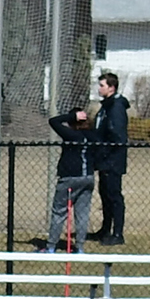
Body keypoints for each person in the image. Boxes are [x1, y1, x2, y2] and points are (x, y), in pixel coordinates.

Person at [46, 105, 97, 253]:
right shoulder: (93, 135)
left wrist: (72, 117)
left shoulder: (72, 135)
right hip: (88, 177)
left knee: (59, 211)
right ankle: (79, 247)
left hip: (70, 177)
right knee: (82, 213)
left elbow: (53, 121)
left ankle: (51, 246)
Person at [94, 72, 129, 245]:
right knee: (105, 195)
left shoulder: (116, 107)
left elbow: (117, 135)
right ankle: (105, 229)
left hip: (112, 161)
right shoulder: (106, 106)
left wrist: (107, 154)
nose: (99, 88)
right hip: (103, 160)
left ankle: (117, 233)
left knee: (114, 196)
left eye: (102, 85)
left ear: (111, 87)